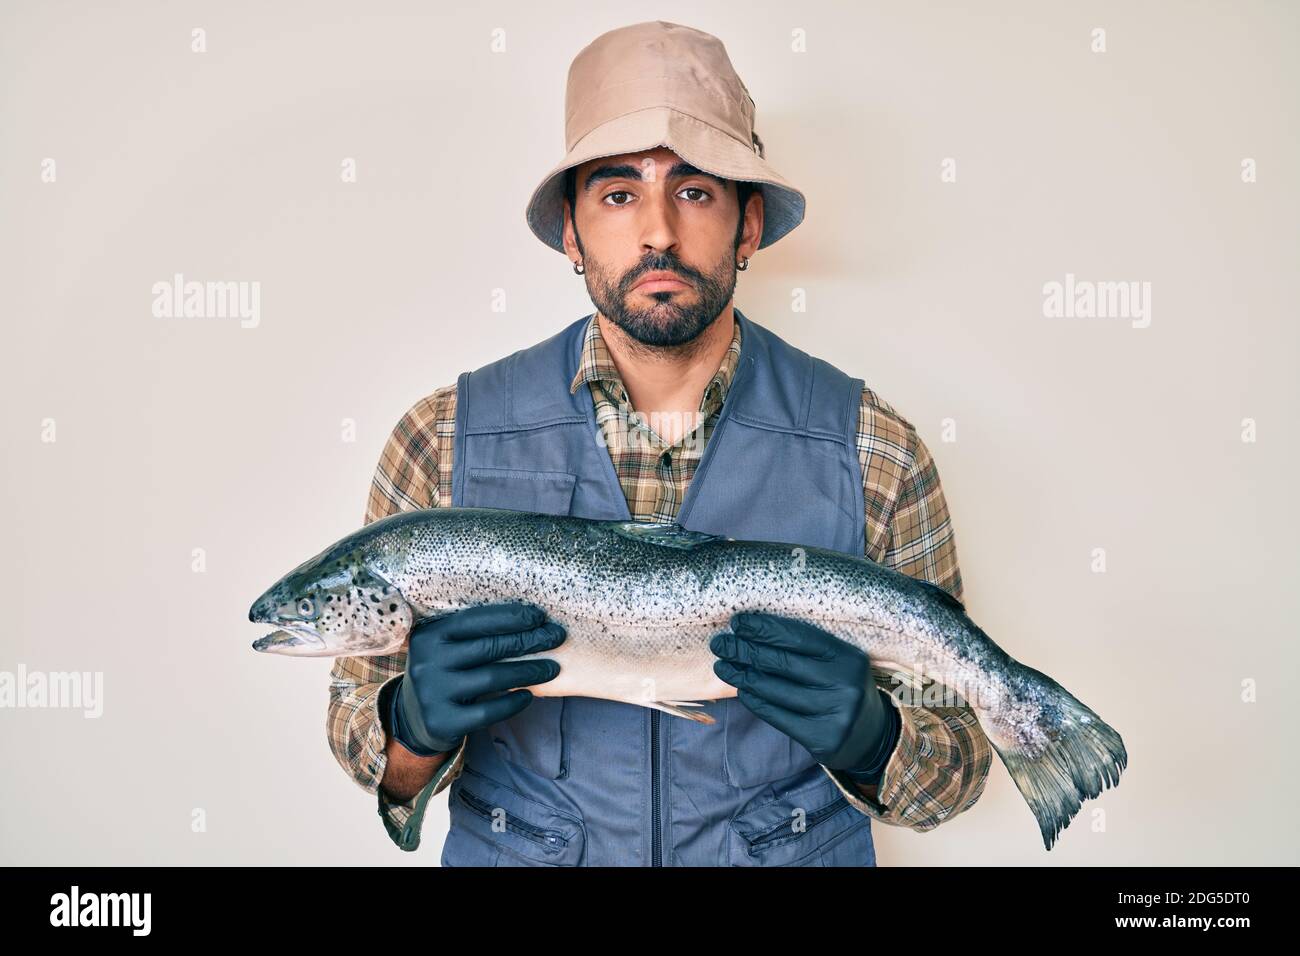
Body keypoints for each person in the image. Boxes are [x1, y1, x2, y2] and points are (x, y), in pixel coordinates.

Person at [327, 20, 991, 866]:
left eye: (694, 192)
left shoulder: (876, 450)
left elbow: (961, 761)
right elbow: (364, 744)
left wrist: (874, 738)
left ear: (748, 227)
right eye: (616, 194)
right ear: (570, 232)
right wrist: (410, 727)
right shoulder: (438, 439)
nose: (657, 234)